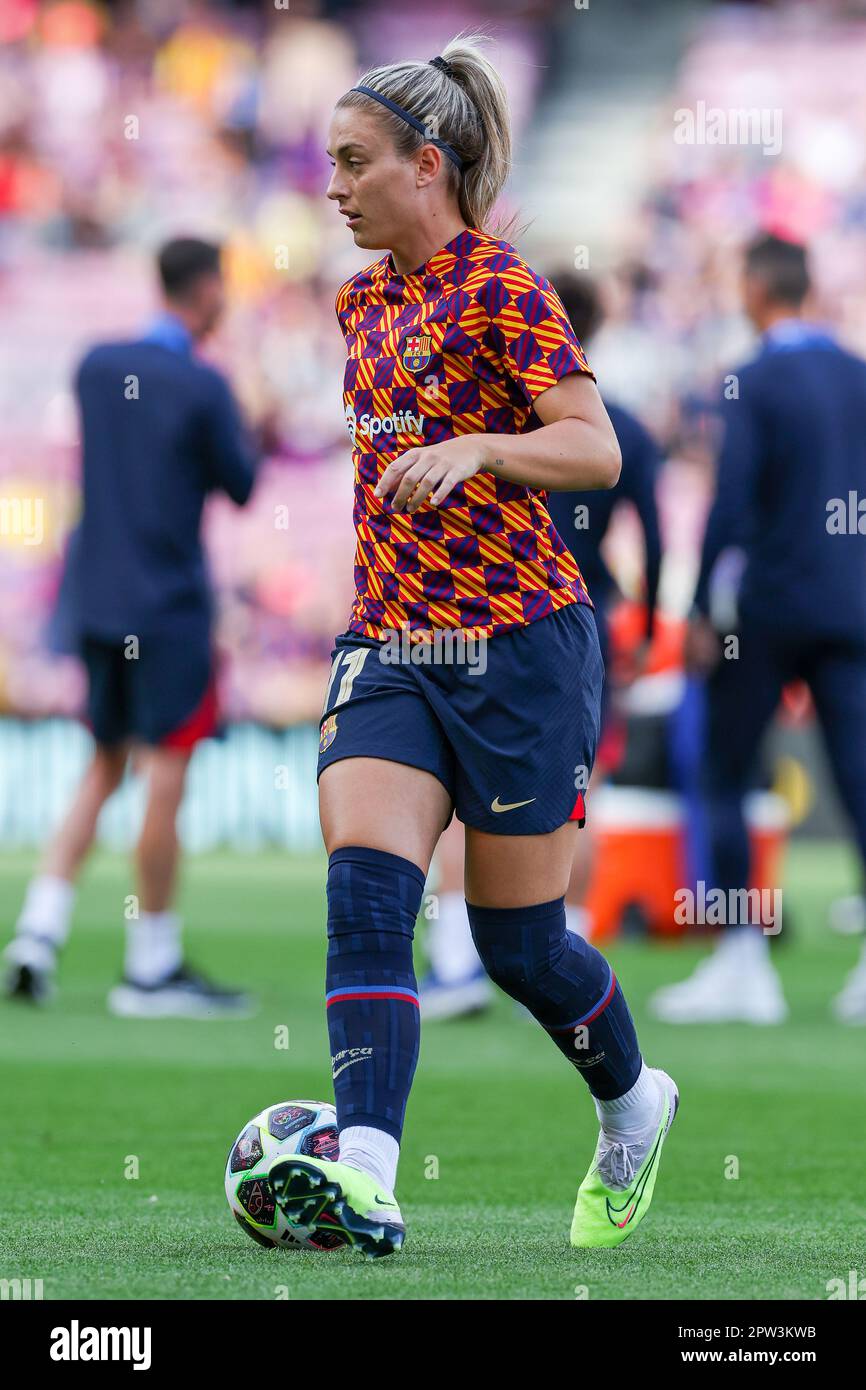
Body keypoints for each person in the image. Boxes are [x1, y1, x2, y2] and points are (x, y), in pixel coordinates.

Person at [266, 36, 678, 1258]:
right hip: (391, 642)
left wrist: (483, 449)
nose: (332, 186)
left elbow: (593, 448)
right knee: (366, 890)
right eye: (328, 164)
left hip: (521, 652)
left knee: (517, 946)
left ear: (424, 164)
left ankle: (630, 1100)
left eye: (353, 162)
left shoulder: (502, 290)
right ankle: (371, 1173)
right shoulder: (359, 297)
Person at [3, 237, 257, 1018]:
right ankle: (151, 966)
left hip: (93, 598)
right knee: (165, 772)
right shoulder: (204, 383)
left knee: (103, 763)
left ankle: (37, 931)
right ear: (208, 288)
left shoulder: (94, 365)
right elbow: (242, 484)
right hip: (168, 606)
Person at [420, 272, 663, 1020]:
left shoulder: (492, 416)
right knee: (577, 800)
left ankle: (458, 963)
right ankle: (571, 957)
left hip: (483, 617)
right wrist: (649, 627)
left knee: (464, 799)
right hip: (575, 624)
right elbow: (652, 533)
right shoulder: (618, 426)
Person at [649, 233, 866, 1025]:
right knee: (859, 776)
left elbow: (731, 502)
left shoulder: (754, 377)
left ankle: (744, 960)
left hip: (771, 607)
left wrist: (703, 606)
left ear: (755, 286)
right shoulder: (857, 373)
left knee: (724, 771)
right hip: (852, 606)